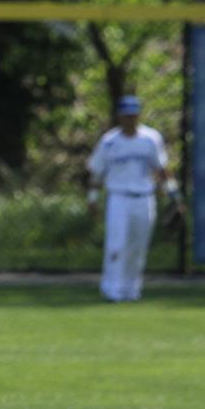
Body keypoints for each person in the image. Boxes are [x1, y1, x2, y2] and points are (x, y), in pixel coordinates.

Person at [86, 95, 181, 302]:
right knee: (117, 244)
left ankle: (131, 289)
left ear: (138, 115)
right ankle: (112, 289)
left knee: (138, 246)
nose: (130, 119)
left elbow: (162, 169)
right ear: (120, 116)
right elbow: (97, 172)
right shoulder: (109, 142)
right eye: (126, 115)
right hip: (119, 197)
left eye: (133, 115)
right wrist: (92, 198)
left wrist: (175, 196)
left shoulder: (150, 138)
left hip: (144, 198)